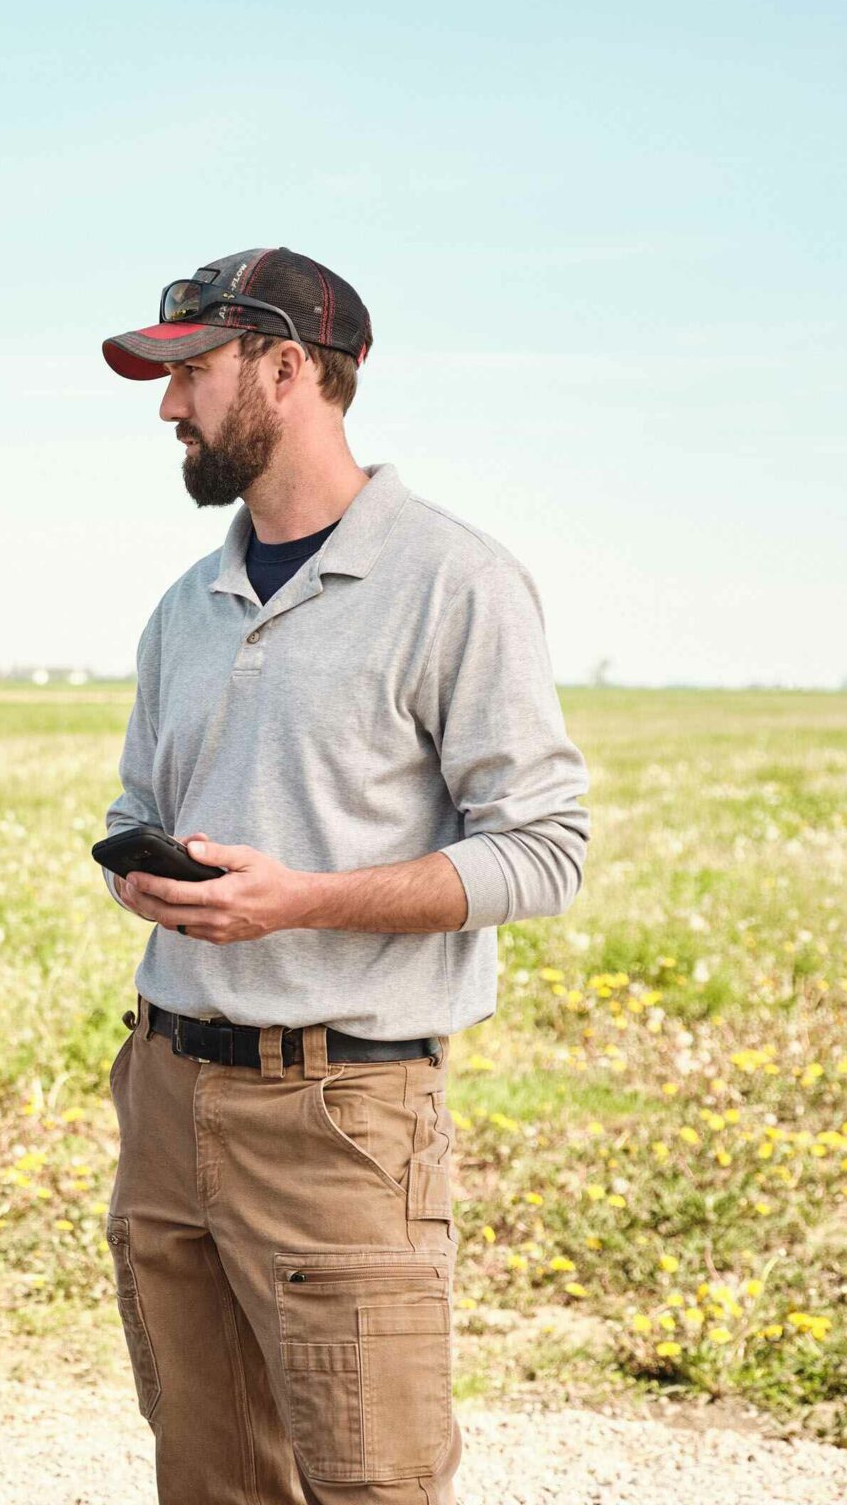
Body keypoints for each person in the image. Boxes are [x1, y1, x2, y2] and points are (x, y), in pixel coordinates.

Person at [96, 249, 590, 1505]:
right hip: (164, 1099)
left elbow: (543, 850)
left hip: (341, 1117)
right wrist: (147, 879)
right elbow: (134, 812)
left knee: (372, 1485)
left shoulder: (454, 582)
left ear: (285, 368)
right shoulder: (183, 608)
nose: (168, 408)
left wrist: (297, 902)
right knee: (206, 1482)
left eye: (191, 374)